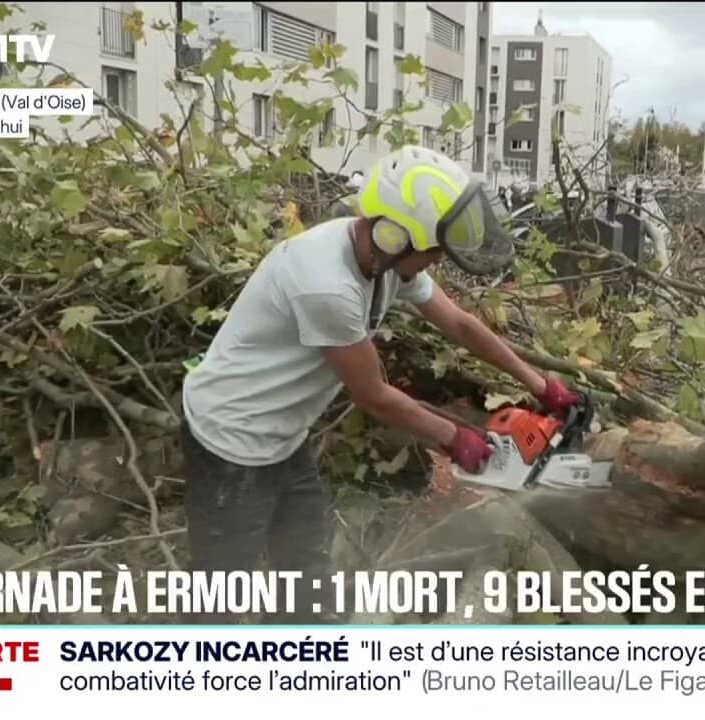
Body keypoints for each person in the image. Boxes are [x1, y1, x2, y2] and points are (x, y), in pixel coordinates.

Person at [179, 145, 579, 623]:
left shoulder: (384, 259)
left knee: (306, 584)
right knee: (219, 601)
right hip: (229, 442)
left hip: (282, 438)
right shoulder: (327, 284)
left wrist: (539, 384)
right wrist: (456, 439)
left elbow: (460, 324)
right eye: (431, 253)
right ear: (396, 236)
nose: (432, 264)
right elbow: (372, 395)